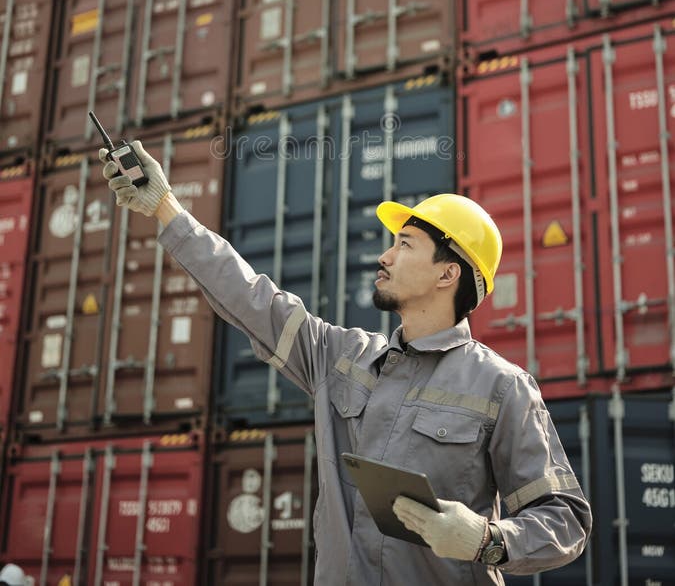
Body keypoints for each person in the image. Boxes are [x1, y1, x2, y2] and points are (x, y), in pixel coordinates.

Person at [100, 142, 592, 585]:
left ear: (448, 273)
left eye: (404, 244)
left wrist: (487, 540)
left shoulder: (502, 387)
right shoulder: (341, 358)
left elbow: (564, 519)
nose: (384, 256)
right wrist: (165, 207)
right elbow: (250, 298)